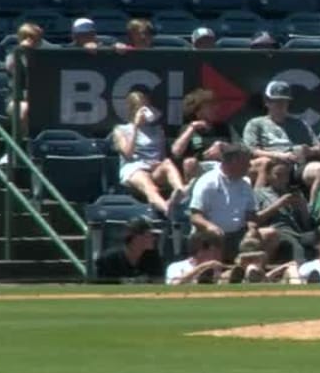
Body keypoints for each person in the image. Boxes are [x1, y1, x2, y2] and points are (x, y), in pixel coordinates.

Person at [111, 89, 186, 217]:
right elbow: (128, 154)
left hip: (153, 168)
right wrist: (135, 127)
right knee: (150, 186)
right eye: (140, 108)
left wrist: (158, 163)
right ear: (133, 110)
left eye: (147, 107)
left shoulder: (157, 130)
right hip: (134, 168)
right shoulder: (121, 130)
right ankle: (168, 210)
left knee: (168, 163)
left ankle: (181, 192)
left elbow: (162, 155)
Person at [188, 144, 260, 261]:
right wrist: (210, 226)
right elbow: (195, 217)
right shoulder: (208, 182)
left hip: (238, 235)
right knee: (213, 240)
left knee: (269, 234)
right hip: (212, 236)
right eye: (246, 162)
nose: (249, 165)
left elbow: (251, 215)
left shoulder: (245, 184)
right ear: (234, 161)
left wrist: (252, 229)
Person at [242, 81, 318, 181]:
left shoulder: (300, 124)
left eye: (284, 101)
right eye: (276, 101)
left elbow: (318, 147)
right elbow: (251, 150)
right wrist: (279, 156)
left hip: (298, 165)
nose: (280, 104)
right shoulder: (255, 123)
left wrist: (309, 151)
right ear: (267, 102)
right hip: (271, 164)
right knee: (279, 169)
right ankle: (262, 191)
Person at [253, 157, 313, 264]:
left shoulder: (295, 193)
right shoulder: (259, 193)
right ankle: (301, 269)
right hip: (278, 231)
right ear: (269, 176)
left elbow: (307, 224)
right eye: (278, 175)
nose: (283, 179)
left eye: (285, 175)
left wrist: (302, 207)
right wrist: (278, 204)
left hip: (299, 232)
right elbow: (256, 219)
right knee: (295, 245)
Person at [172, 87, 230, 181]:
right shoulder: (187, 128)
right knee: (189, 162)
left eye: (215, 105)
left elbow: (241, 147)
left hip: (223, 166)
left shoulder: (224, 127)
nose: (215, 109)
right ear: (198, 111)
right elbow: (176, 152)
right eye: (210, 107)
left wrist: (224, 147)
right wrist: (192, 128)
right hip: (200, 168)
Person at [93, 217, 164, 283]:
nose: (154, 238)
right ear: (137, 237)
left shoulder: (153, 258)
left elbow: (159, 286)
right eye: (150, 235)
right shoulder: (108, 261)